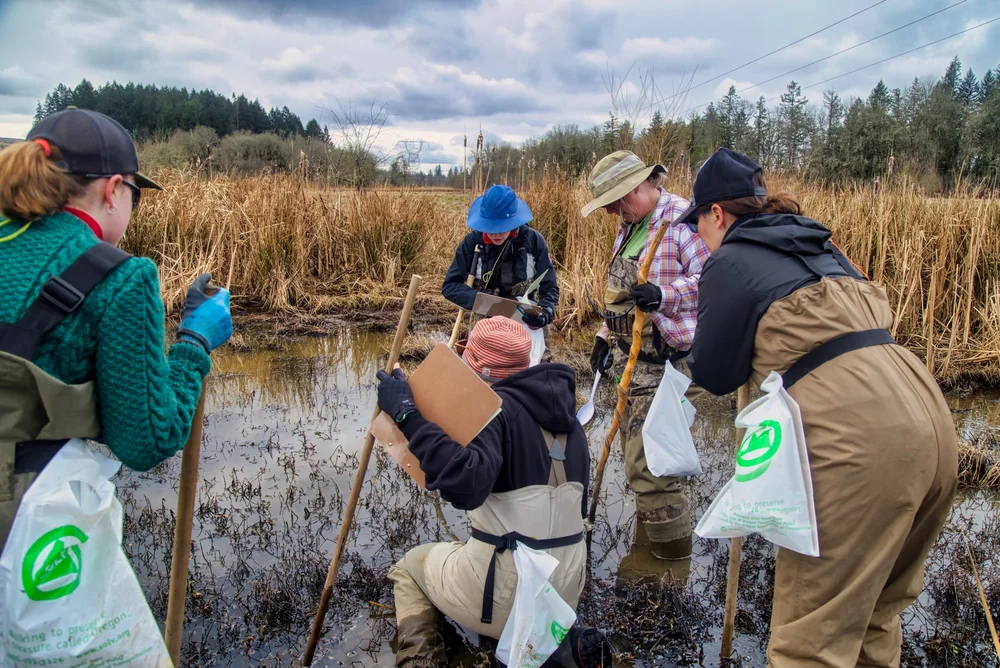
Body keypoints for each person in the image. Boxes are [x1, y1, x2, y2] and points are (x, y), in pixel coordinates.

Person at [680, 148, 958, 667]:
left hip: (859, 441)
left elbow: (714, 374)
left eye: (697, 222)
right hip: (928, 417)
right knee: (874, 619)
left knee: (811, 645)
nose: (698, 235)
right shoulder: (824, 246)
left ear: (717, 213)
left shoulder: (730, 261)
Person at [0, 108, 234, 547]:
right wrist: (194, 341)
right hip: (21, 523)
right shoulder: (122, 278)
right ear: (112, 190)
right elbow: (148, 442)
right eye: (134, 194)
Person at [377, 316, 606, 668]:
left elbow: (465, 487)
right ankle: (544, 644)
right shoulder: (572, 424)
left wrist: (407, 414)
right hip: (564, 592)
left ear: (476, 366)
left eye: (466, 357)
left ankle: (420, 661)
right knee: (490, 544)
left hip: (506, 595)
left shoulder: (493, 414)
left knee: (410, 568)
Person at [580, 150, 710, 560]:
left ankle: (669, 566)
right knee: (636, 461)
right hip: (631, 360)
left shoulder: (681, 220)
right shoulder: (630, 225)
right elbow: (623, 297)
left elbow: (713, 279)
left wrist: (664, 295)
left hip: (668, 363)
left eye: (616, 201)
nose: (612, 211)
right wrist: (605, 335)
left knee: (651, 464)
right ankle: (648, 546)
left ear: (638, 186)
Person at [442, 184, 559, 330]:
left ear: (514, 222)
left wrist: (545, 313)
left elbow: (550, 288)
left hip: (526, 320)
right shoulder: (472, 242)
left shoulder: (534, 241)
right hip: (484, 321)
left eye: (502, 227)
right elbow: (450, 286)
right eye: (490, 227)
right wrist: (480, 299)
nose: (496, 234)